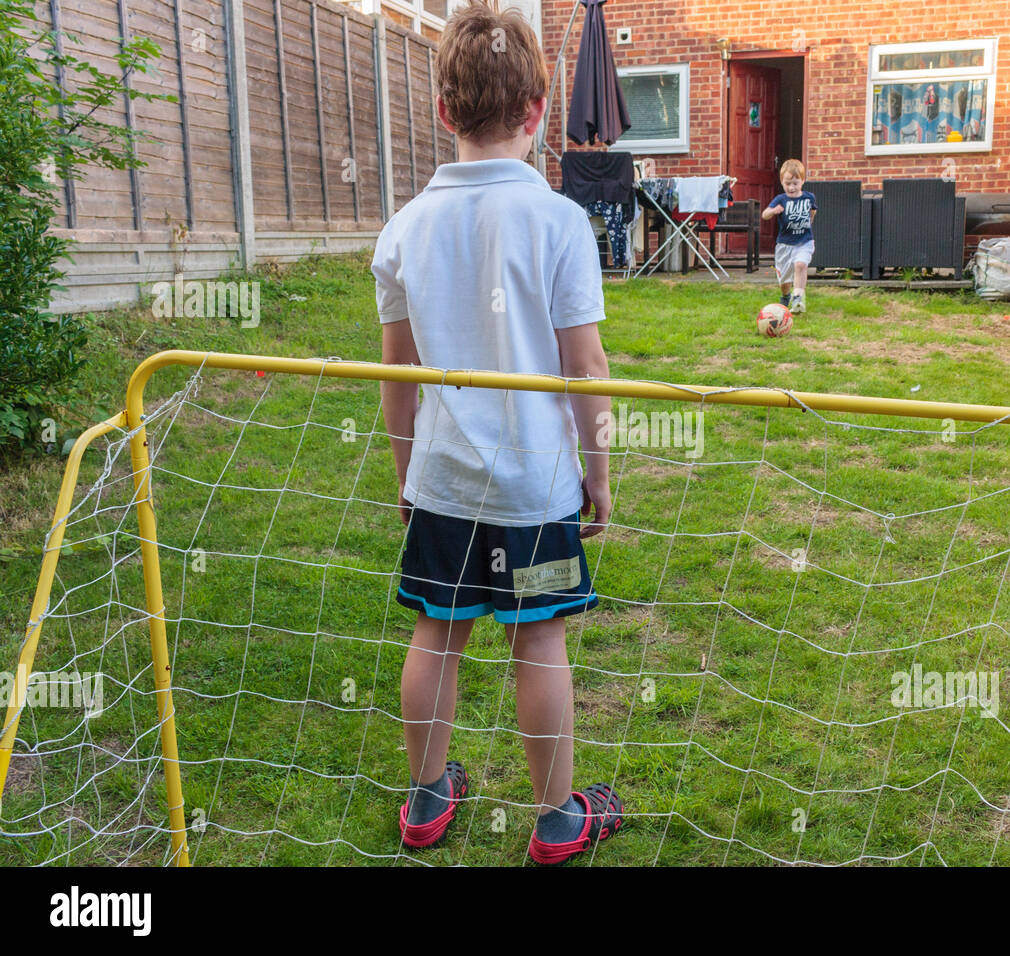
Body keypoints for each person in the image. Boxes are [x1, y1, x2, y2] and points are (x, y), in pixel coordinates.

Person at [370, 0, 624, 865]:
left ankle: (427, 801)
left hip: (442, 486)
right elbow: (585, 370)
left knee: (437, 632)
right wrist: (599, 475)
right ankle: (558, 821)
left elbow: (396, 387)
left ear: (443, 111)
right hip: (536, 491)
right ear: (538, 112)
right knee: (538, 637)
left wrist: (409, 480)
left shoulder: (403, 230)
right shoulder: (559, 222)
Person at [762, 160, 817, 313]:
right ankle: (786, 295)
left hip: (804, 241)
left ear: (803, 181)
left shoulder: (809, 198)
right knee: (784, 280)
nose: (791, 187)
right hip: (784, 244)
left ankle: (798, 299)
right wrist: (773, 211)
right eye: (788, 183)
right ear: (782, 182)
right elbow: (764, 214)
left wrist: (808, 223)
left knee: (800, 265)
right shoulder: (780, 199)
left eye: (795, 183)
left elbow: (813, 212)